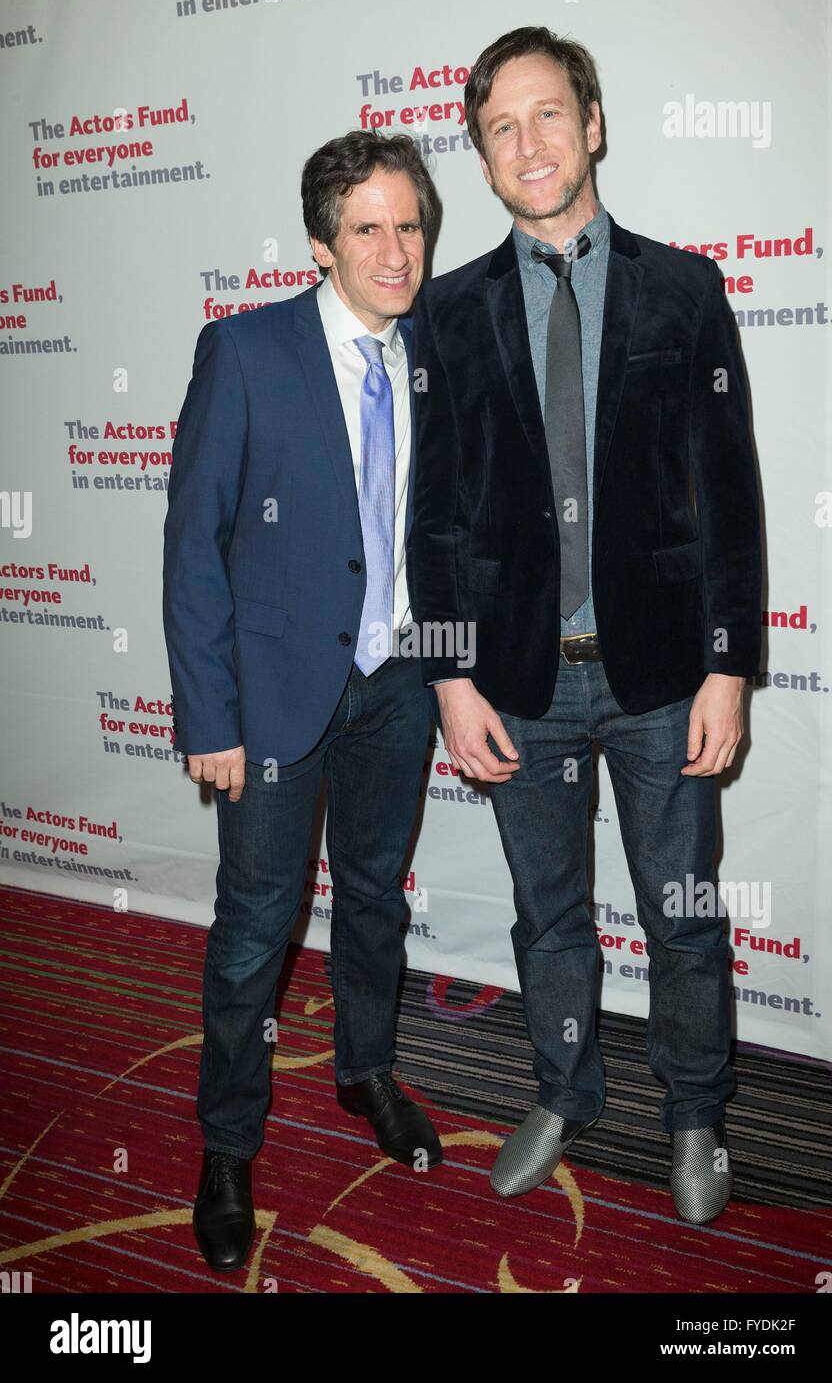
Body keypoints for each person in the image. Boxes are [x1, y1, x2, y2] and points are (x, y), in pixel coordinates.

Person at [406, 26, 762, 1224]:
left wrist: (727, 668)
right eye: (499, 128)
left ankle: (694, 1110)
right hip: (516, 682)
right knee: (547, 915)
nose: (527, 142)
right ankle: (564, 1087)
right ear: (483, 160)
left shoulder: (682, 288)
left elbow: (729, 495)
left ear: (592, 124)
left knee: (681, 910)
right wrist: (450, 681)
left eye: (547, 113)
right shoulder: (448, 315)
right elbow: (433, 522)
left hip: (663, 678)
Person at [163, 130, 441, 1273]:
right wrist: (208, 717)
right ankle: (227, 1143)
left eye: (409, 224)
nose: (394, 250)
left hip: (399, 685)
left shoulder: (435, 354)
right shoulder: (246, 352)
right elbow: (193, 548)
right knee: (252, 931)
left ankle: (365, 1069)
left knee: (373, 896)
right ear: (321, 243)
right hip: (274, 697)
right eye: (368, 228)